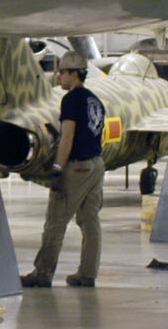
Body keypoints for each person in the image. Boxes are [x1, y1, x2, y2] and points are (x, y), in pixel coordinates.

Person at [21, 49, 106, 289]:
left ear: (74, 74)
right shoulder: (94, 100)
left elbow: (67, 138)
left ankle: (43, 273)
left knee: (56, 222)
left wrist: (57, 167)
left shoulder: (71, 100)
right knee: (90, 222)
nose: (59, 78)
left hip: (77, 167)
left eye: (63, 73)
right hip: (96, 165)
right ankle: (87, 274)